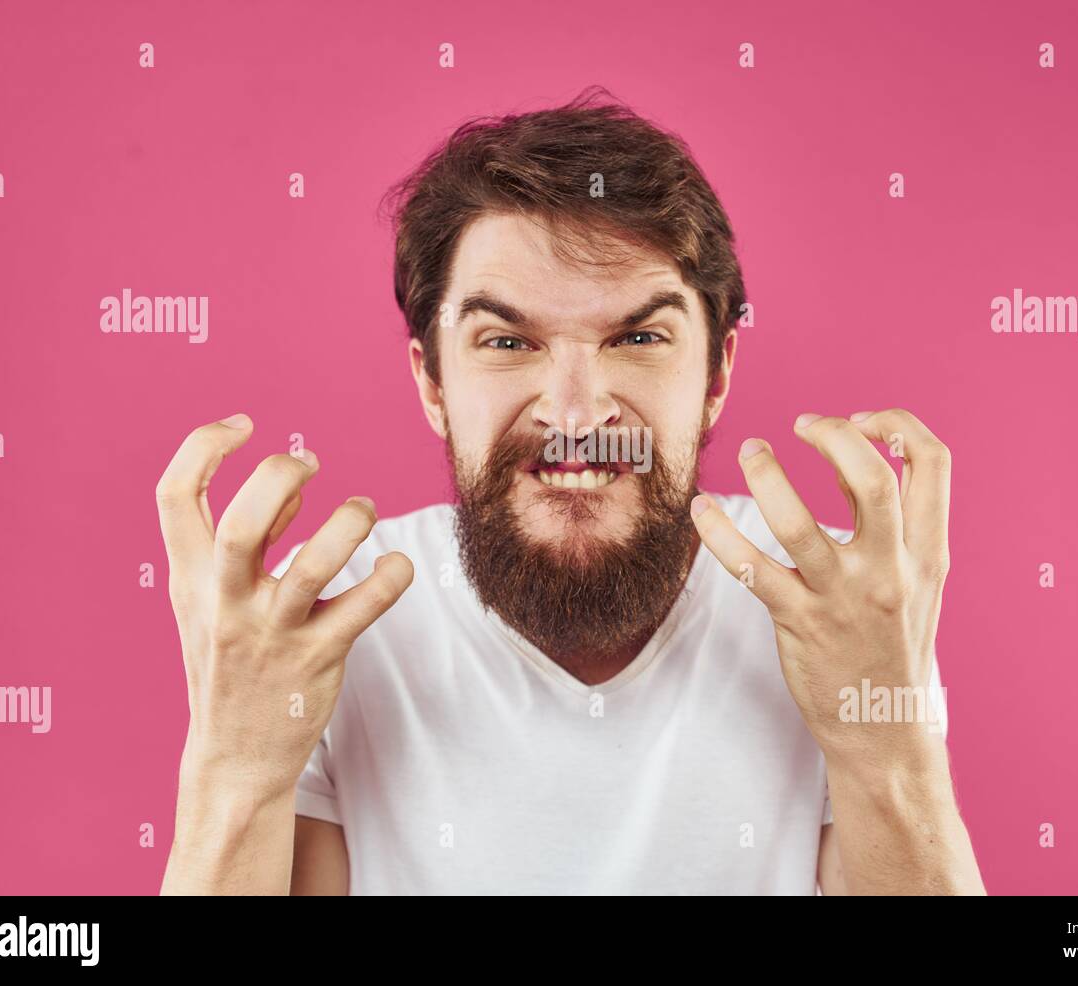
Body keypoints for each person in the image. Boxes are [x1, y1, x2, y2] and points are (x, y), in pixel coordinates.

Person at [157, 89, 984, 895]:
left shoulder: (832, 606)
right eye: (508, 341)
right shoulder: (318, 620)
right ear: (434, 384)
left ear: (718, 372)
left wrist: (890, 743)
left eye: (639, 336)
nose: (578, 413)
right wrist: (236, 763)